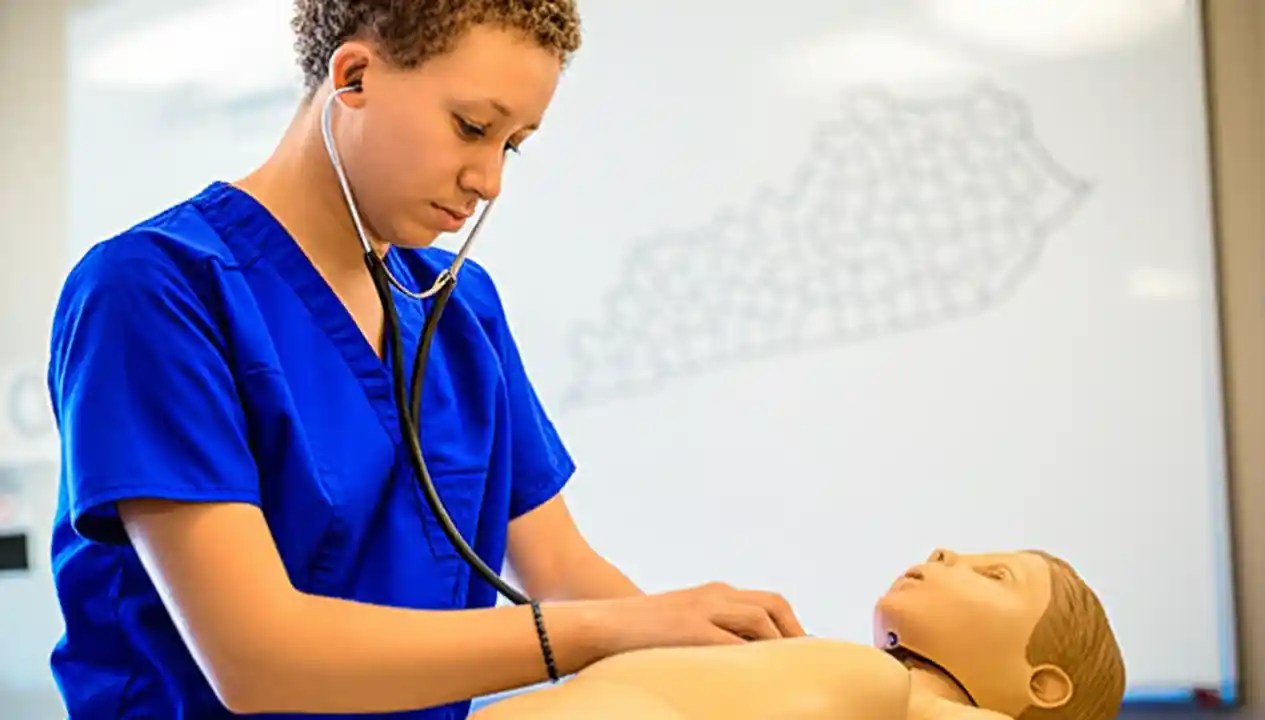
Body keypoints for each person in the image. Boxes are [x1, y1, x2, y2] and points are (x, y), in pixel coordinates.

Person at [43, 2, 806, 719]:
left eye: (513, 145)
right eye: (472, 127)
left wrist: (713, 662)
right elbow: (254, 657)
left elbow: (564, 571)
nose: (490, 180)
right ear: (355, 78)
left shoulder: (460, 309)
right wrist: (600, 631)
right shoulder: (154, 292)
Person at [469, 548, 1127, 720]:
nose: (948, 551)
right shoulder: (858, 680)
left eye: (995, 575)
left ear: (1041, 685)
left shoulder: (903, 700)